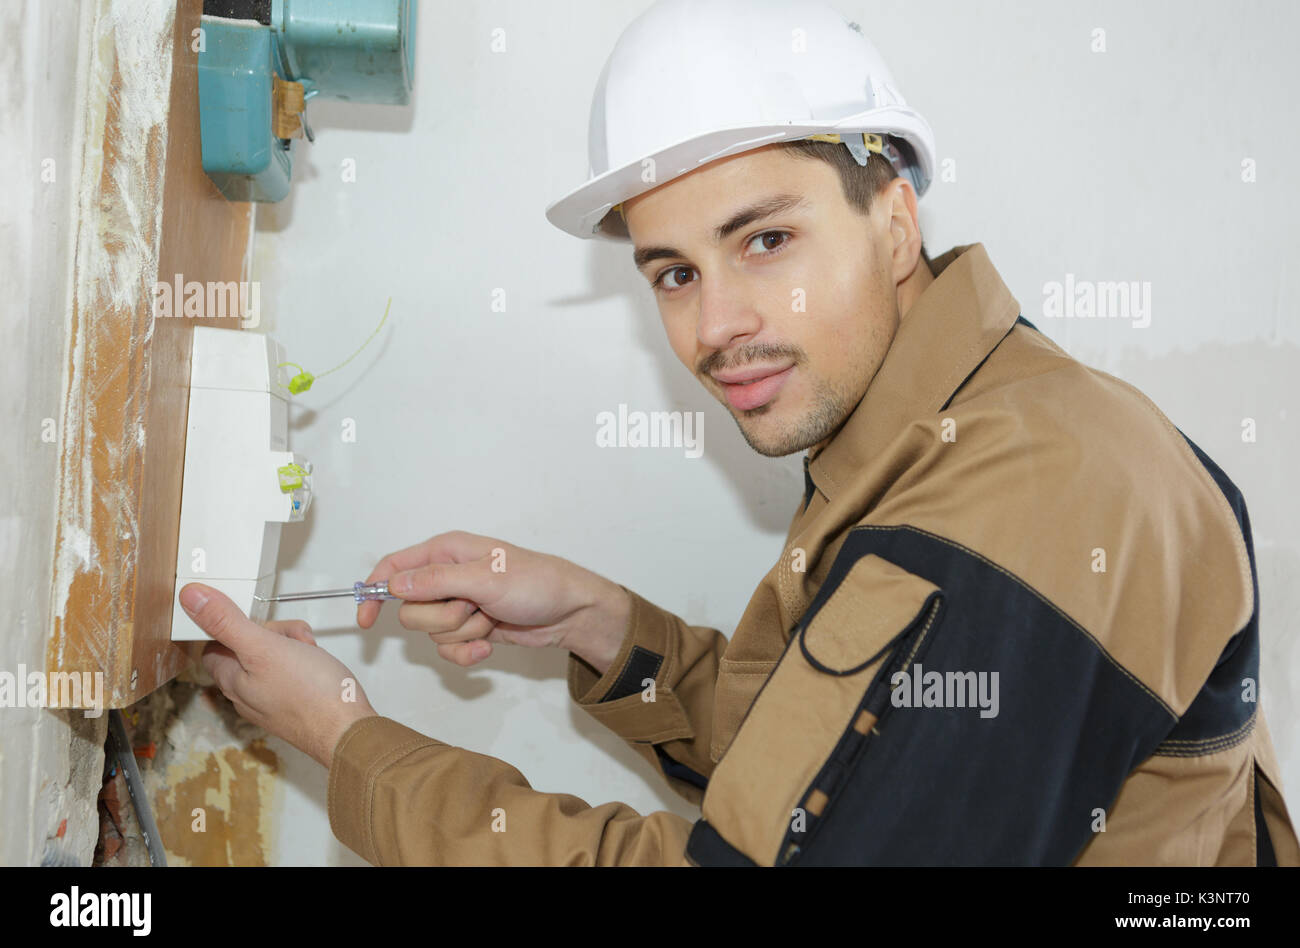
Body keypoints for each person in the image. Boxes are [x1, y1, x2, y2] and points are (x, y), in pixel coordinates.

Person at [179, 0, 1298, 865]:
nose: (716, 328)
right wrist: (598, 623)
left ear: (893, 220)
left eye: (764, 239)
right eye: (673, 270)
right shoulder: (947, 430)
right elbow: (831, 765)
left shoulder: (1030, 501)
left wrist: (347, 742)